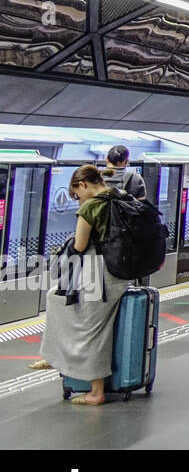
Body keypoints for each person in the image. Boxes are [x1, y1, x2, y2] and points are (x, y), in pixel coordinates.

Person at [27, 165, 130, 405]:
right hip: (119, 272)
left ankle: (97, 392)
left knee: (91, 329)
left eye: (76, 194)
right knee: (56, 298)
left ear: (83, 184)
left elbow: (81, 245)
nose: (77, 200)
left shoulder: (92, 206)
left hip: (100, 275)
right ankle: (54, 356)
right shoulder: (120, 196)